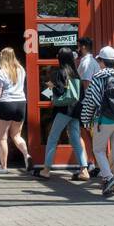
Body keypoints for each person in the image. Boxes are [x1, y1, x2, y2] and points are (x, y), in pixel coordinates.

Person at [78, 45, 114, 197]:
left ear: (101, 61)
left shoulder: (99, 77)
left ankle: (108, 177)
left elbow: (90, 100)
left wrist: (86, 121)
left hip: (104, 120)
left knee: (98, 150)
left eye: (99, 60)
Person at [35, 49, 88, 181]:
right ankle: (84, 170)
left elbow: (54, 91)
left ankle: (46, 170)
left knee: (53, 138)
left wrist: (47, 87)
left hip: (63, 111)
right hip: (75, 111)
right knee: (76, 139)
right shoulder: (75, 74)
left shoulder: (59, 73)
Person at [0, 47, 31, 173]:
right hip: (21, 103)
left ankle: (3, 167)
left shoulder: (1, 73)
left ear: (3, 57)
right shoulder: (21, 69)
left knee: (3, 137)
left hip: (6, 104)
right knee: (17, 135)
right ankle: (27, 156)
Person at [75, 37, 101, 174]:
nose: (77, 49)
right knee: (91, 134)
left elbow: (86, 84)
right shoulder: (91, 62)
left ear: (84, 47)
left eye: (78, 46)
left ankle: (90, 162)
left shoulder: (87, 63)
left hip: (87, 103)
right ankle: (94, 163)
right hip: (93, 103)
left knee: (85, 134)